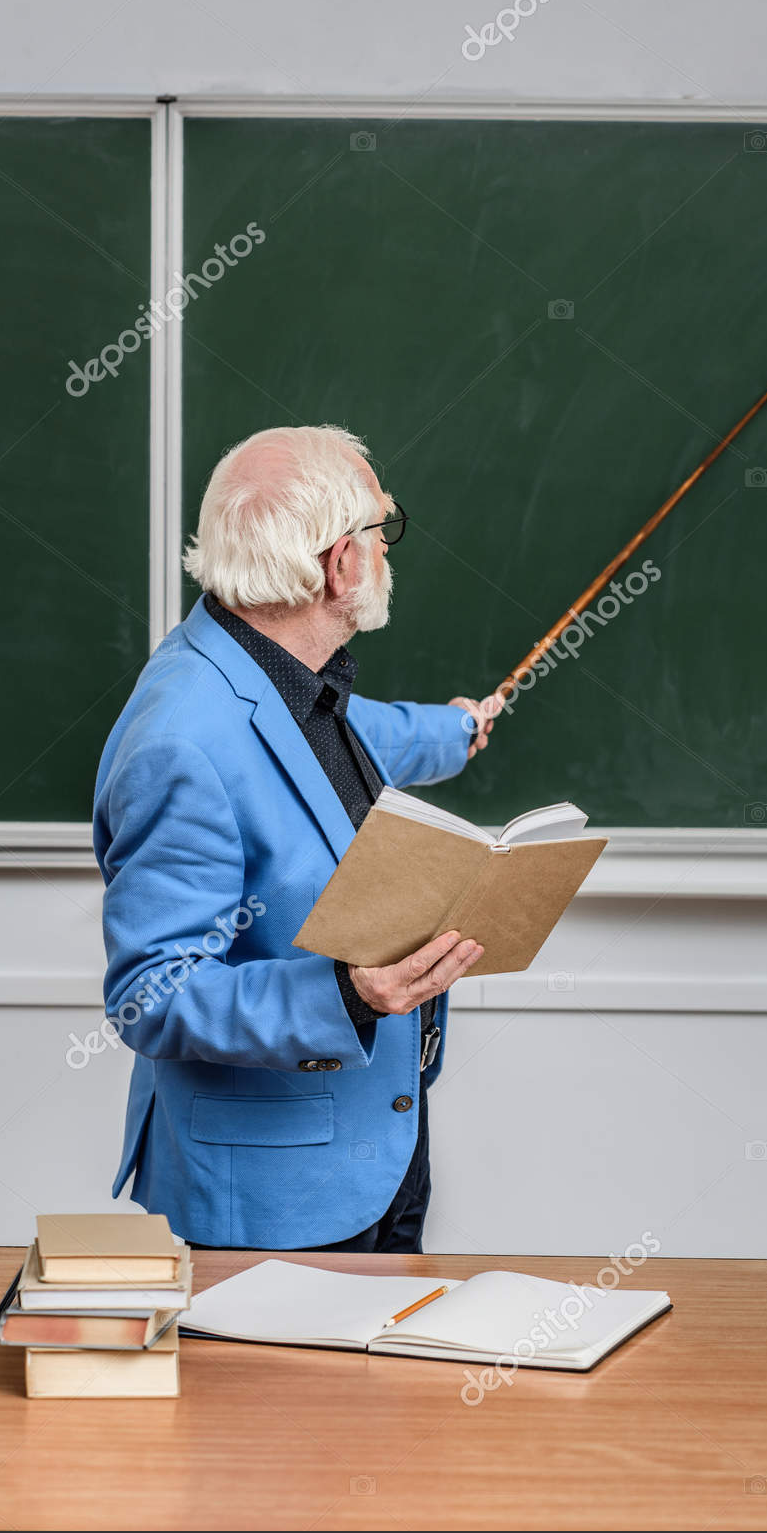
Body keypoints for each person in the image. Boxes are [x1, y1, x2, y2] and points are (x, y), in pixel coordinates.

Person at [93, 425, 502, 1251]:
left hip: (373, 1152)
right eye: (381, 533)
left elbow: (347, 737)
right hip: (272, 1200)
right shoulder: (184, 737)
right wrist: (350, 994)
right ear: (338, 565)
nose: (389, 554)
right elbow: (152, 995)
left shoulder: (266, 667)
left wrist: (455, 730)